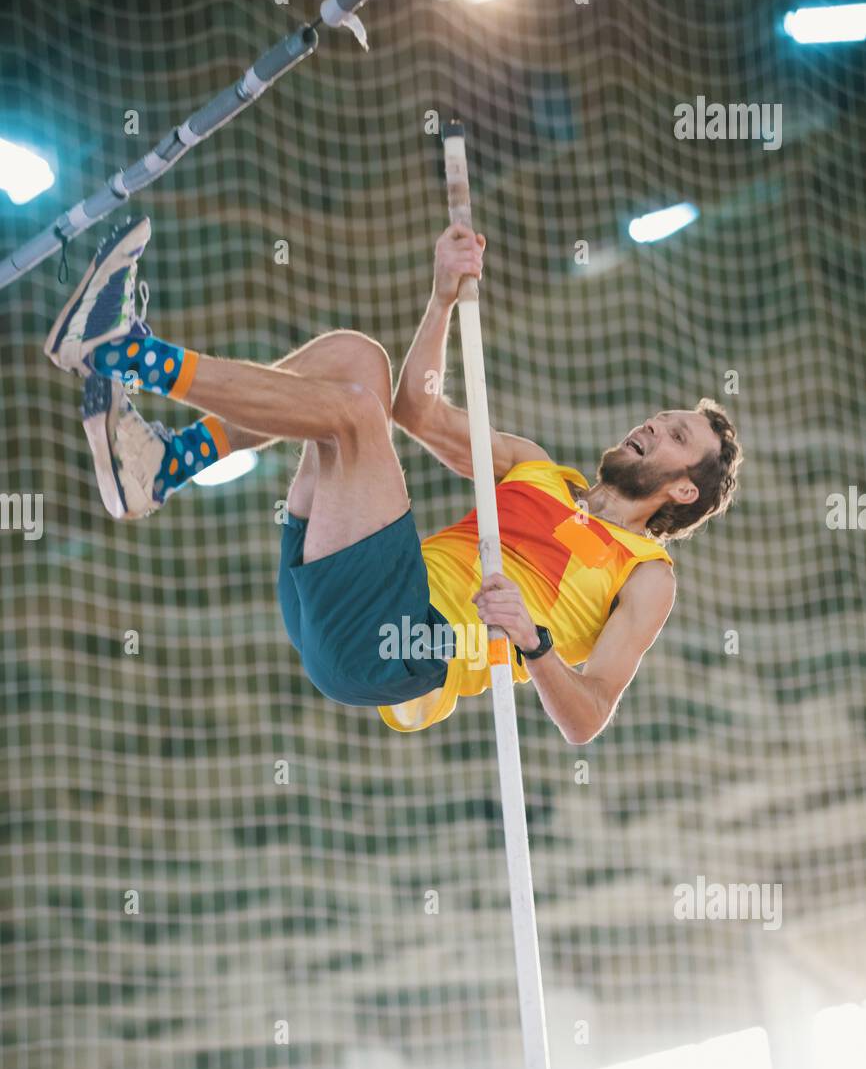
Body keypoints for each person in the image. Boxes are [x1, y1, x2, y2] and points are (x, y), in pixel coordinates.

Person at [45, 216, 743, 741]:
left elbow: (587, 715)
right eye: (662, 417)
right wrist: (441, 299)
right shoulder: (538, 469)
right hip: (344, 601)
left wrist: (534, 643)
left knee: (351, 419)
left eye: (676, 436)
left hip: (404, 644)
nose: (654, 426)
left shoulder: (647, 572)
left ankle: (132, 356)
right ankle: (165, 466)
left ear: (685, 490)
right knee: (357, 364)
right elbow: (416, 409)